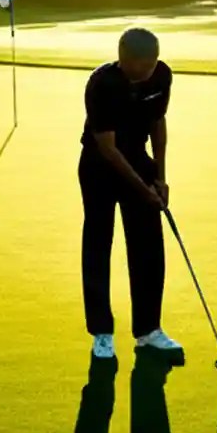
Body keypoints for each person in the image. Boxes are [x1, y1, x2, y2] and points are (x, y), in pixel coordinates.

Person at [79, 28, 183, 362]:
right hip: (98, 164)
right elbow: (107, 148)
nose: (135, 72)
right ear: (121, 58)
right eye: (128, 64)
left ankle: (149, 331)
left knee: (149, 245)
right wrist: (143, 189)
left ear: (153, 61)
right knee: (98, 242)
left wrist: (161, 178)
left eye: (142, 66)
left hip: (137, 156)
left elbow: (157, 123)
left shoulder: (161, 76)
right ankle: (102, 333)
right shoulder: (102, 83)